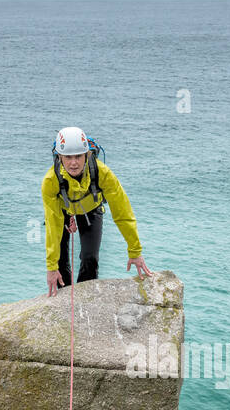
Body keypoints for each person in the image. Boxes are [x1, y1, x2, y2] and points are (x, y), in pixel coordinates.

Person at [42, 126, 153, 297]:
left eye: (78, 156)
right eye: (68, 157)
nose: (73, 163)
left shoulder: (102, 173)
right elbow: (53, 224)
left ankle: (85, 300)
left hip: (91, 209)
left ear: (87, 154)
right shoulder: (51, 181)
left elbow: (123, 213)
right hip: (63, 212)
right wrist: (51, 267)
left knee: (90, 259)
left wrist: (135, 251)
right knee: (60, 262)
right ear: (59, 157)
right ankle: (63, 301)